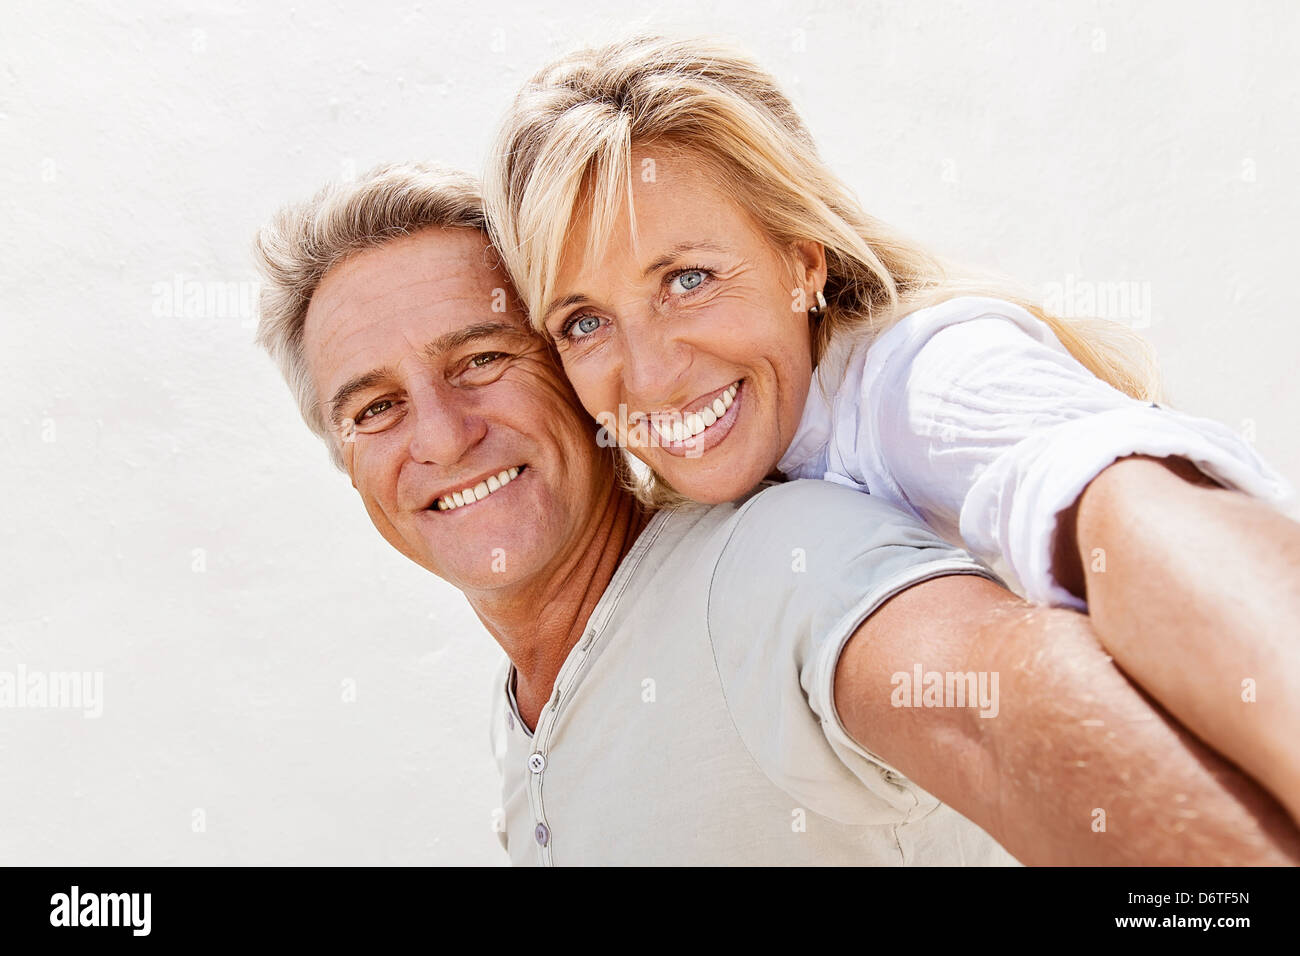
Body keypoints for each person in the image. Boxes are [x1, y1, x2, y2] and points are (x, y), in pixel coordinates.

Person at [252, 161, 1300, 865]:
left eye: (480, 359)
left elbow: (1008, 721)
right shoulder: (528, 708)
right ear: (347, 462)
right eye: (375, 406)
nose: (438, 434)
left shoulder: (773, 566)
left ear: (571, 377)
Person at [482, 33, 1300, 823]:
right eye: (584, 322)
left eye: (688, 279)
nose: (653, 373)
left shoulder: (922, 379)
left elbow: (1126, 499)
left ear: (804, 264)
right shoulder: (701, 522)